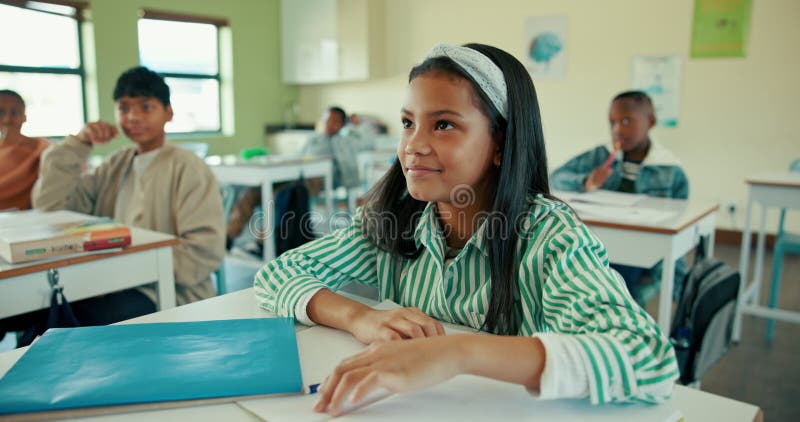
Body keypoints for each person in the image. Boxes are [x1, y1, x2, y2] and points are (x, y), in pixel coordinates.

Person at [254, 43, 677, 415]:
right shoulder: (392, 220)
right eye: (407, 123)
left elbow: (646, 357)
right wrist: (359, 317)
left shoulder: (549, 235)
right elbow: (276, 276)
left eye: (443, 125)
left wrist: (457, 352)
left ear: (499, 144)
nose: (413, 145)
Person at [29, 66, 224, 323]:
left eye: (145, 107)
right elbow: (51, 206)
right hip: (109, 284)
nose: (132, 117)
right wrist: (79, 143)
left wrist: (124, 269)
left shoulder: (188, 168)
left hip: (169, 293)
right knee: (46, 313)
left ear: (168, 113)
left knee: (68, 321)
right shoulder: (115, 165)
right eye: (124, 108)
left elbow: (204, 251)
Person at [550, 91, 689, 304]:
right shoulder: (600, 156)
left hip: (645, 253)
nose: (617, 130)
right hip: (600, 243)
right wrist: (586, 181)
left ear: (650, 121)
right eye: (612, 122)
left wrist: (675, 283)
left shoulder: (670, 170)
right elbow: (555, 178)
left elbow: (679, 227)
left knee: (618, 283)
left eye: (626, 121)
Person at [226, 106, 371, 255]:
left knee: (278, 195)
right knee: (250, 194)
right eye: (327, 120)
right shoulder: (314, 139)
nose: (329, 124)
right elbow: (298, 155)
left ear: (342, 124)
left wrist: (359, 123)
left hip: (315, 180)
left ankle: (264, 243)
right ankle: (228, 237)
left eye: (334, 121)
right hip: (294, 174)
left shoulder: (347, 140)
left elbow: (368, 139)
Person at [0, 90, 50, 211]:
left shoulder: (42, 148)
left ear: (24, 117)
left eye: (15, 112)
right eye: (0, 112)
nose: (7, 119)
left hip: (32, 214)